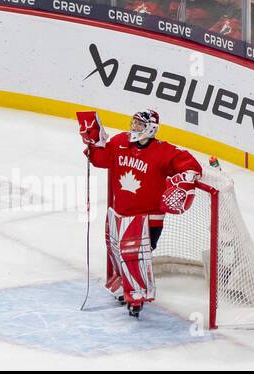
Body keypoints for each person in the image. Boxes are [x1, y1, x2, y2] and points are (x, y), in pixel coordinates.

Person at [79, 108, 202, 317]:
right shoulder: (120, 142)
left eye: (139, 124)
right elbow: (101, 159)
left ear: (151, 128)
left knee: (135, 257)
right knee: (117, 252)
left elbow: (191, 166)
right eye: (133, 123)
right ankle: (123, 287)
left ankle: (137, 298)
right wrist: (93, 142)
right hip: (120, 214)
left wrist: (187, 177)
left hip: (147, 218)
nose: (134, 127)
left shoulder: (164, 151)